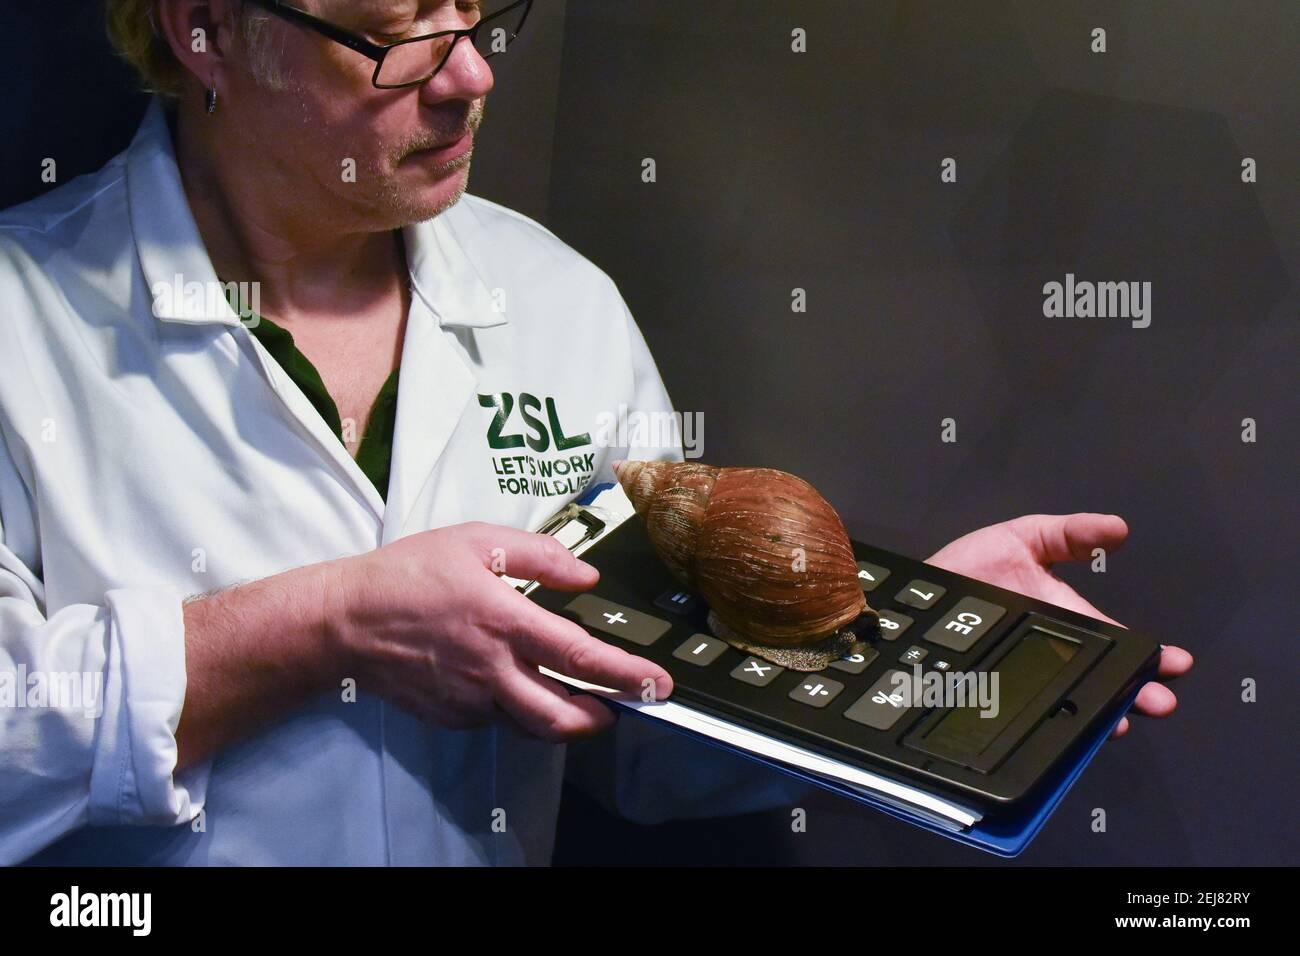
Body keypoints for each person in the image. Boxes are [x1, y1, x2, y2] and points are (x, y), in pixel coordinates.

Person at [0, 0, 1192, 865]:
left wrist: (878, 644)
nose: (471, 76)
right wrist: (329, 625)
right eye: (396, 34)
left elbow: (643, 744)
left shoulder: (560, 304)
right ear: (207, 30)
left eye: (477, 13)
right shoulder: (24, 321)